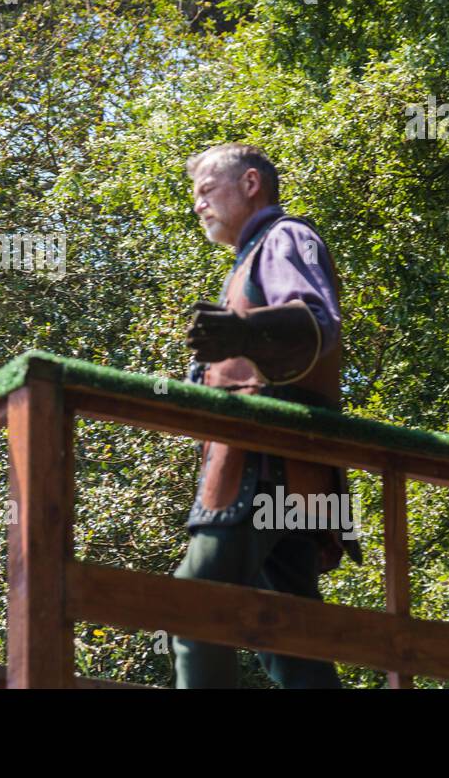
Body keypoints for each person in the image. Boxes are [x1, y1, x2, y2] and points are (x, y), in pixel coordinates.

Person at [176, 143, 361, 689]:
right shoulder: (251, 257)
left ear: (251, 184)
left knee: (193, 604)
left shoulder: (282, 240)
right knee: (292, 642)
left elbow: (316, 323)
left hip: (261, 469)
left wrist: (246, 333)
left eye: (207, 190)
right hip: (292, 476)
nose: (197, 205)